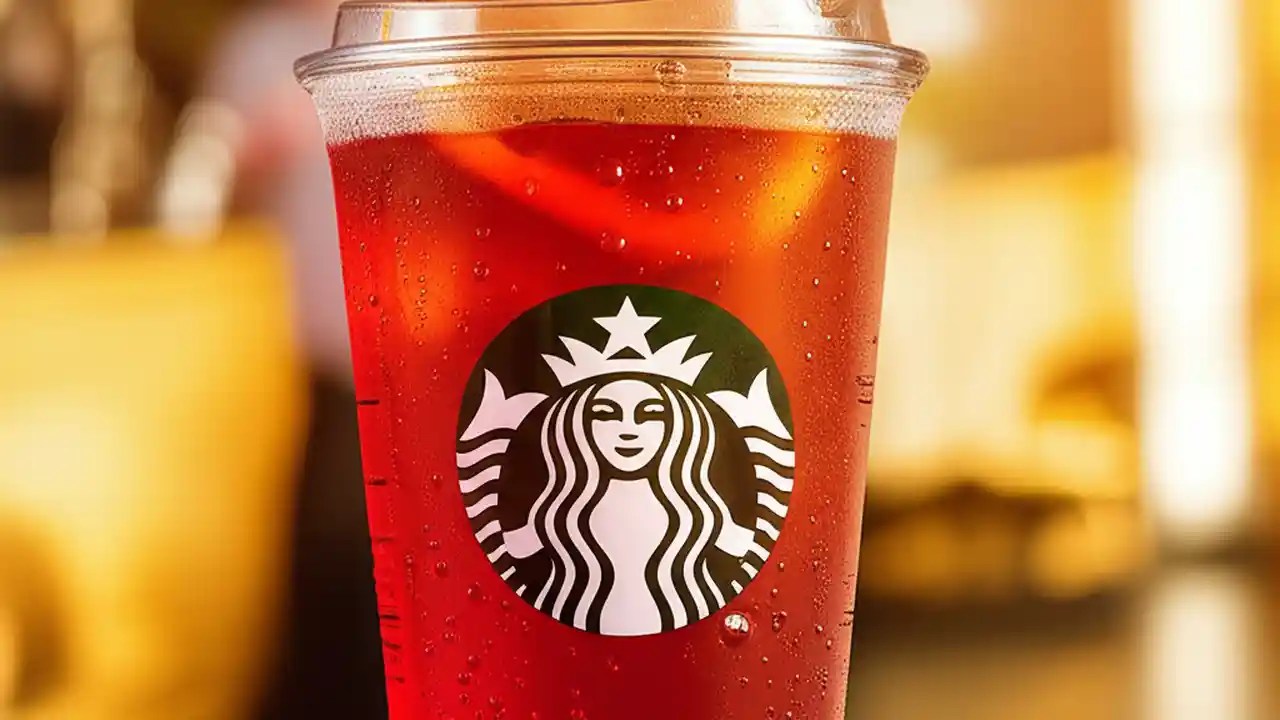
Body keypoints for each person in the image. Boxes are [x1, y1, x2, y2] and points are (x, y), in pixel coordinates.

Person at [199, 1, 386, 718]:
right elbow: (208, 209)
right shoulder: (257, 46)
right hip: (300, 360)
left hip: (402, 348)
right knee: (318, 551)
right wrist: (245, 156)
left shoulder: (422, 29)